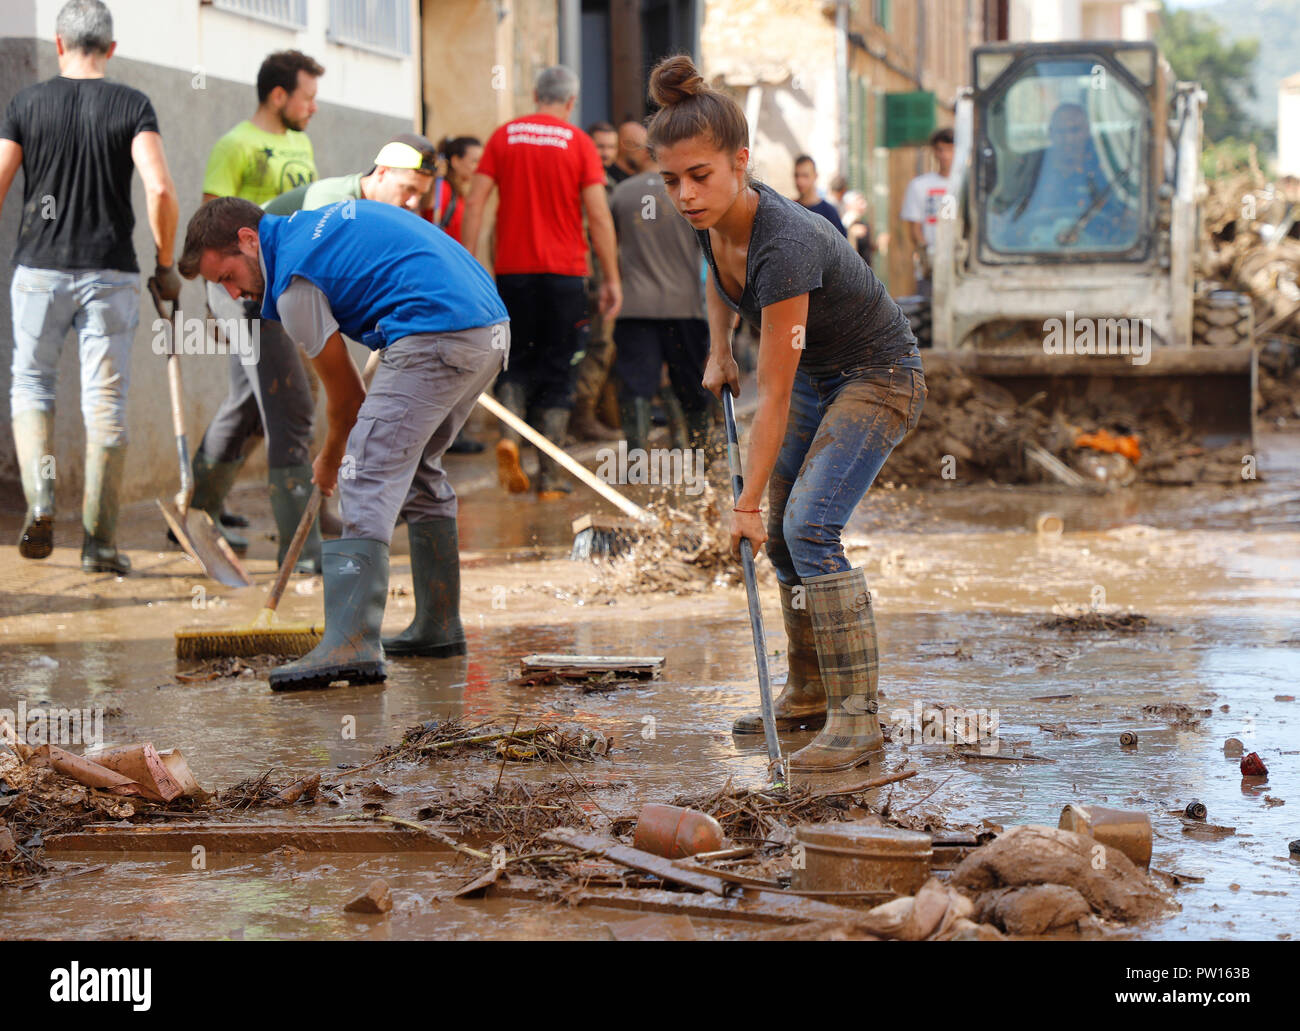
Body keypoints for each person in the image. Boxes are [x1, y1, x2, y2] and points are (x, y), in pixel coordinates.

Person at [648, 55, 926, 772]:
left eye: (699, 177)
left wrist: (740, 500)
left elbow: (772, 395)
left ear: (740, 162)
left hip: (879, 374)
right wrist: (717, 349)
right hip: (818, 375)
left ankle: (858, 718)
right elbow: (715, 271)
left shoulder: (788, 245)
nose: (684, 195)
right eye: (671, 180)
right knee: (781, 536)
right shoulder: (709, 215)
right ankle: (806, 691)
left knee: (808, 525)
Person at [178, 197, 509, 689]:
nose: (234, 292)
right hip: (488, 331)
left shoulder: (291, 282)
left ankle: (351, 644)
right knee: (417, 466)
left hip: (434, 333)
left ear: (249, 240)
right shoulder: (310, 229)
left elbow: (347, 398)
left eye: (228, 275)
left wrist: (332, 458)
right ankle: (438, 627)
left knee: (365, 470)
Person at [0, 0, 180, 574]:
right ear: (112, 48)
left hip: (38, 271)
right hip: (110, 270)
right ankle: (99, 545)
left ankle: (42, 500)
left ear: (58, 44)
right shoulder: (132, 105)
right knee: (106, 407)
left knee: (32, 384)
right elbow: (159, 189)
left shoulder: (26, 103)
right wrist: (166, 262)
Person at [189, 49, 325, 566]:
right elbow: (210, 228)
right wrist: (218, 300)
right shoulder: (236, 145)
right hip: (240, 291)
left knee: (248, 401)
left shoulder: (301, 142)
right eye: (307, 97)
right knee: (288, 405)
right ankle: (301, 546)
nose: (313, 108)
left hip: (279, 287)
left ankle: (200, 509)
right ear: (278, 95)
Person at [460, 65, 621, 500]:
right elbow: (599, 216)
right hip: (567, 276)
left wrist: (465, 265)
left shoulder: (503, 136)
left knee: (517, 361)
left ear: (534, 94)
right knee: (560, 371)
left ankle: (510, 436)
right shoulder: (580, 144)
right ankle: (550, 478)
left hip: (513, 275)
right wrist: (611, 278)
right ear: (570, 102)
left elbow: (475, 204)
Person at [608, 148, 716, 456]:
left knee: (636, 383)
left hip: (635, 306)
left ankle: (636, 460)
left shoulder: (622, 193)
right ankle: (699, 455)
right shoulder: (689, 193)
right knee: (690, 384)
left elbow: (605, 241)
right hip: (685, 306)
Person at [987, 103, 1136, 251]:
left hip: (1104, 253)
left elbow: (1124, 211)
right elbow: (1004, 207)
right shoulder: (1030, 165)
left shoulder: (1105, 166)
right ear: (1050, 133)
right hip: (1033, 251)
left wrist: (1129, 219)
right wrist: (997, 220)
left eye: (1075, 130)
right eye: (1061, 132)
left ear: (1087, 132)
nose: (1068, 139)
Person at [900, 127, 953, 297]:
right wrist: (927, 256)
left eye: (950, 149)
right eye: (940, 149)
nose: (945, 155)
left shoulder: (970, 186)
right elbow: (913, 227)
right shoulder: (920, 185)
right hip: (931, 267)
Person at [421, 134, 482, 246]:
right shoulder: (443, 188)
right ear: (455, 161)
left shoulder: (457, 193)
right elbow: (426, 206)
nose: (479, 167)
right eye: (474, 161)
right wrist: (434, 177)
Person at [793, 154, 846, 236]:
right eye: (797, 175)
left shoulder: (829, 212)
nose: (800, 181)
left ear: (815, 176)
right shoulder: (790, 208)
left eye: (805, 176)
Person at [607, 119, 648, 185]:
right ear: (624, 145)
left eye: (646, 147)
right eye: (639, 146)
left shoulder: (642, 177)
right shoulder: (607, 178)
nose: (645, 152)